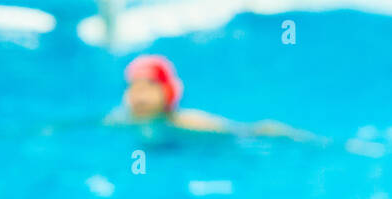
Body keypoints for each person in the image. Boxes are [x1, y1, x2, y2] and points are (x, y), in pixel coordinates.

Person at [106, 53, 321, 141]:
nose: (139, 95)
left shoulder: (189, 122)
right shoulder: (118, 121)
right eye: (134, 87)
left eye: (149, 86)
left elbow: (248, 131)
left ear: (168, 92)